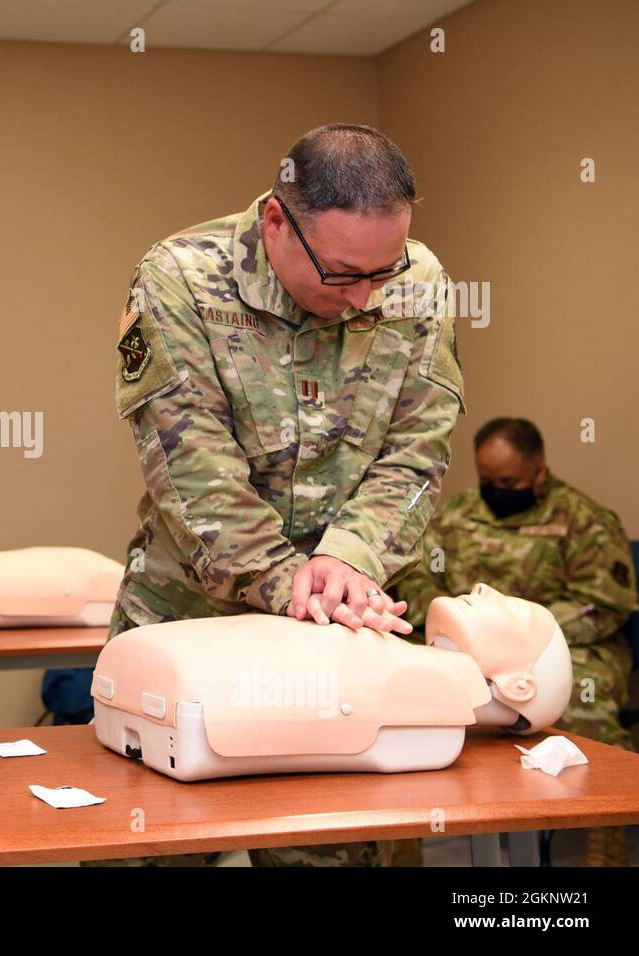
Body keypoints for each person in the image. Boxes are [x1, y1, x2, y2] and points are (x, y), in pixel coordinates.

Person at [106, 124, 464, 867]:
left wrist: (352, 557)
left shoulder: (418, 281)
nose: (365, 294)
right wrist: (293, 583)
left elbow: (417, 450)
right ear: (276, 221)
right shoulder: (180, 278)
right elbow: (191, 466)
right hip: (191, 627)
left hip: (339, 638)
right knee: (151, 846)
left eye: (381, 270)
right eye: (341, 273)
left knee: (328, 850)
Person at [394, 417, 637, 865]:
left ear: (539, 471)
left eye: (508, 481)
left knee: (586, 700)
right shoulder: (457, 517)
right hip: (465, 649)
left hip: (563, 650)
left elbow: (601, 605)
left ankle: (605, 846)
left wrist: (531, 640)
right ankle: (400, 846)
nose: (496, 489)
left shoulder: (584, 521)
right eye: (488, 480)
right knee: (403, 697)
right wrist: (454, 630)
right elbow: (420, 582)